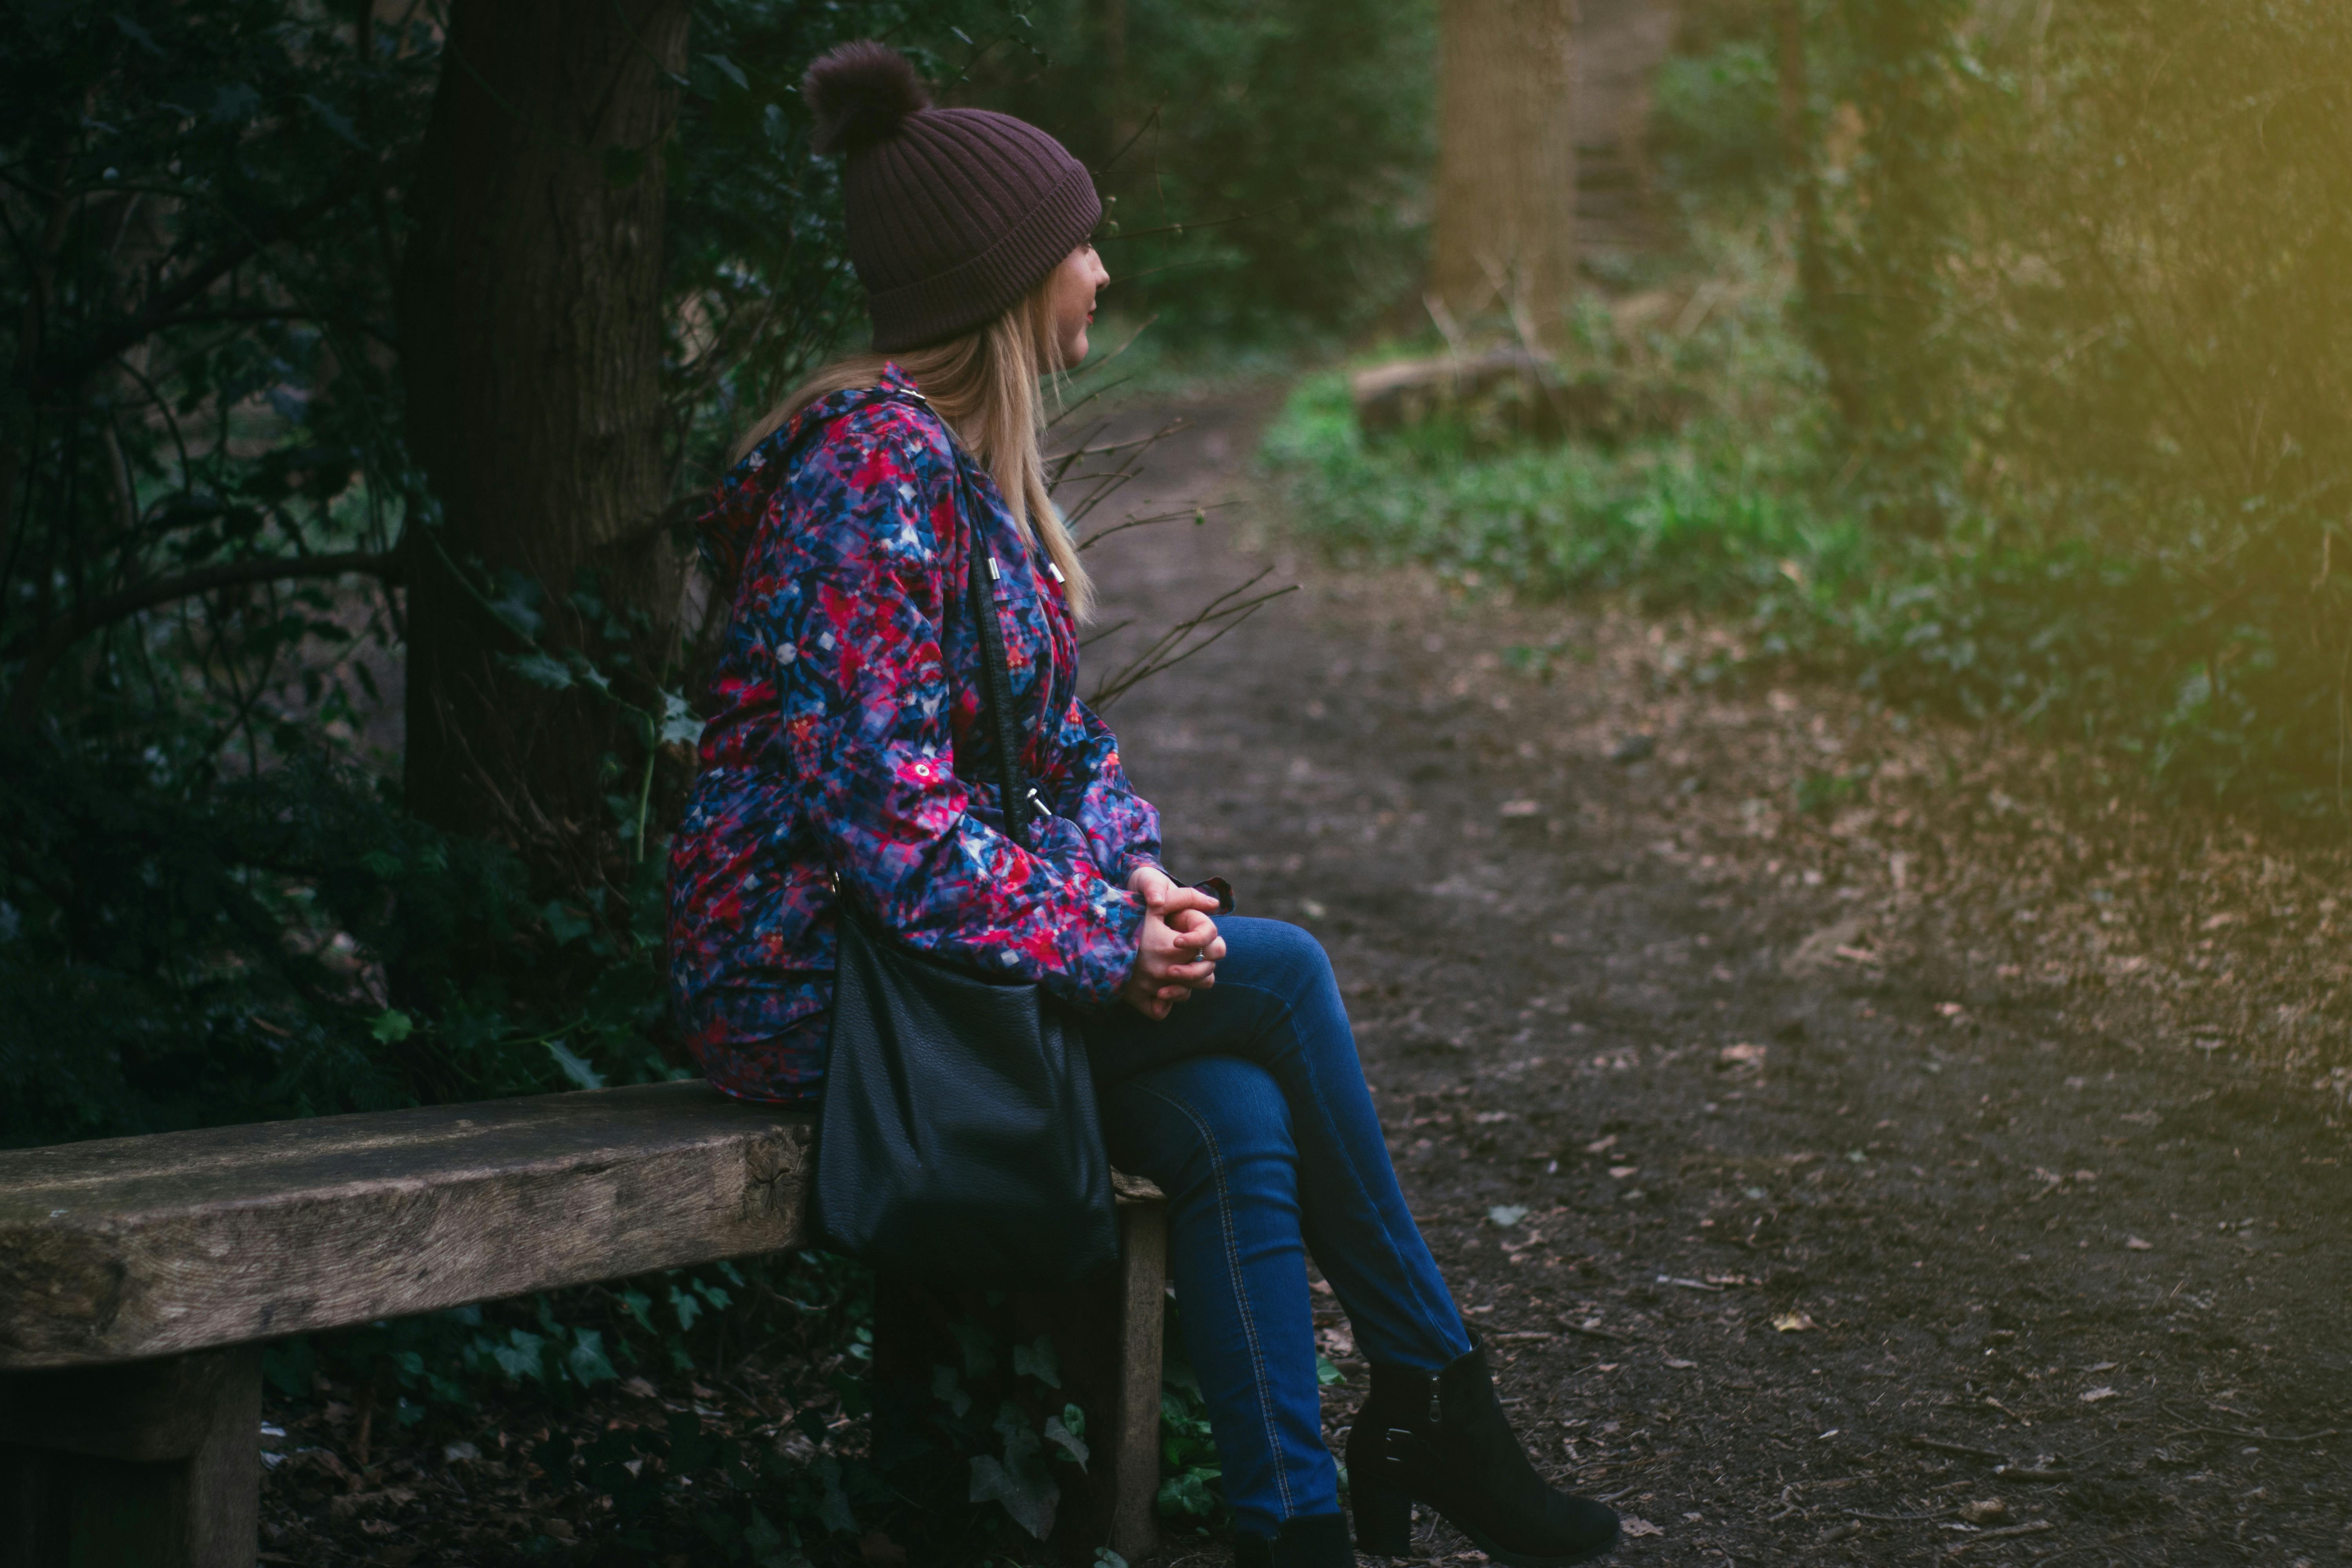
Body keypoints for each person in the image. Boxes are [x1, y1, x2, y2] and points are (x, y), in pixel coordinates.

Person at [666, 40, 1619, 1568]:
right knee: (1289, 972)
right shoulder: (868, 478)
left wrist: (1144, 886)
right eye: (1079, 242)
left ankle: (1295, 1524)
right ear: (1006, 276)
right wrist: (1108, 941)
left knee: (1237, 1109)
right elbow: (888, 825)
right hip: (813, 983)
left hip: (926, 969)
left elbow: (1066, 763)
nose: (1100, 270)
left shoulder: (962, 479)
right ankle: (1435, 1395)